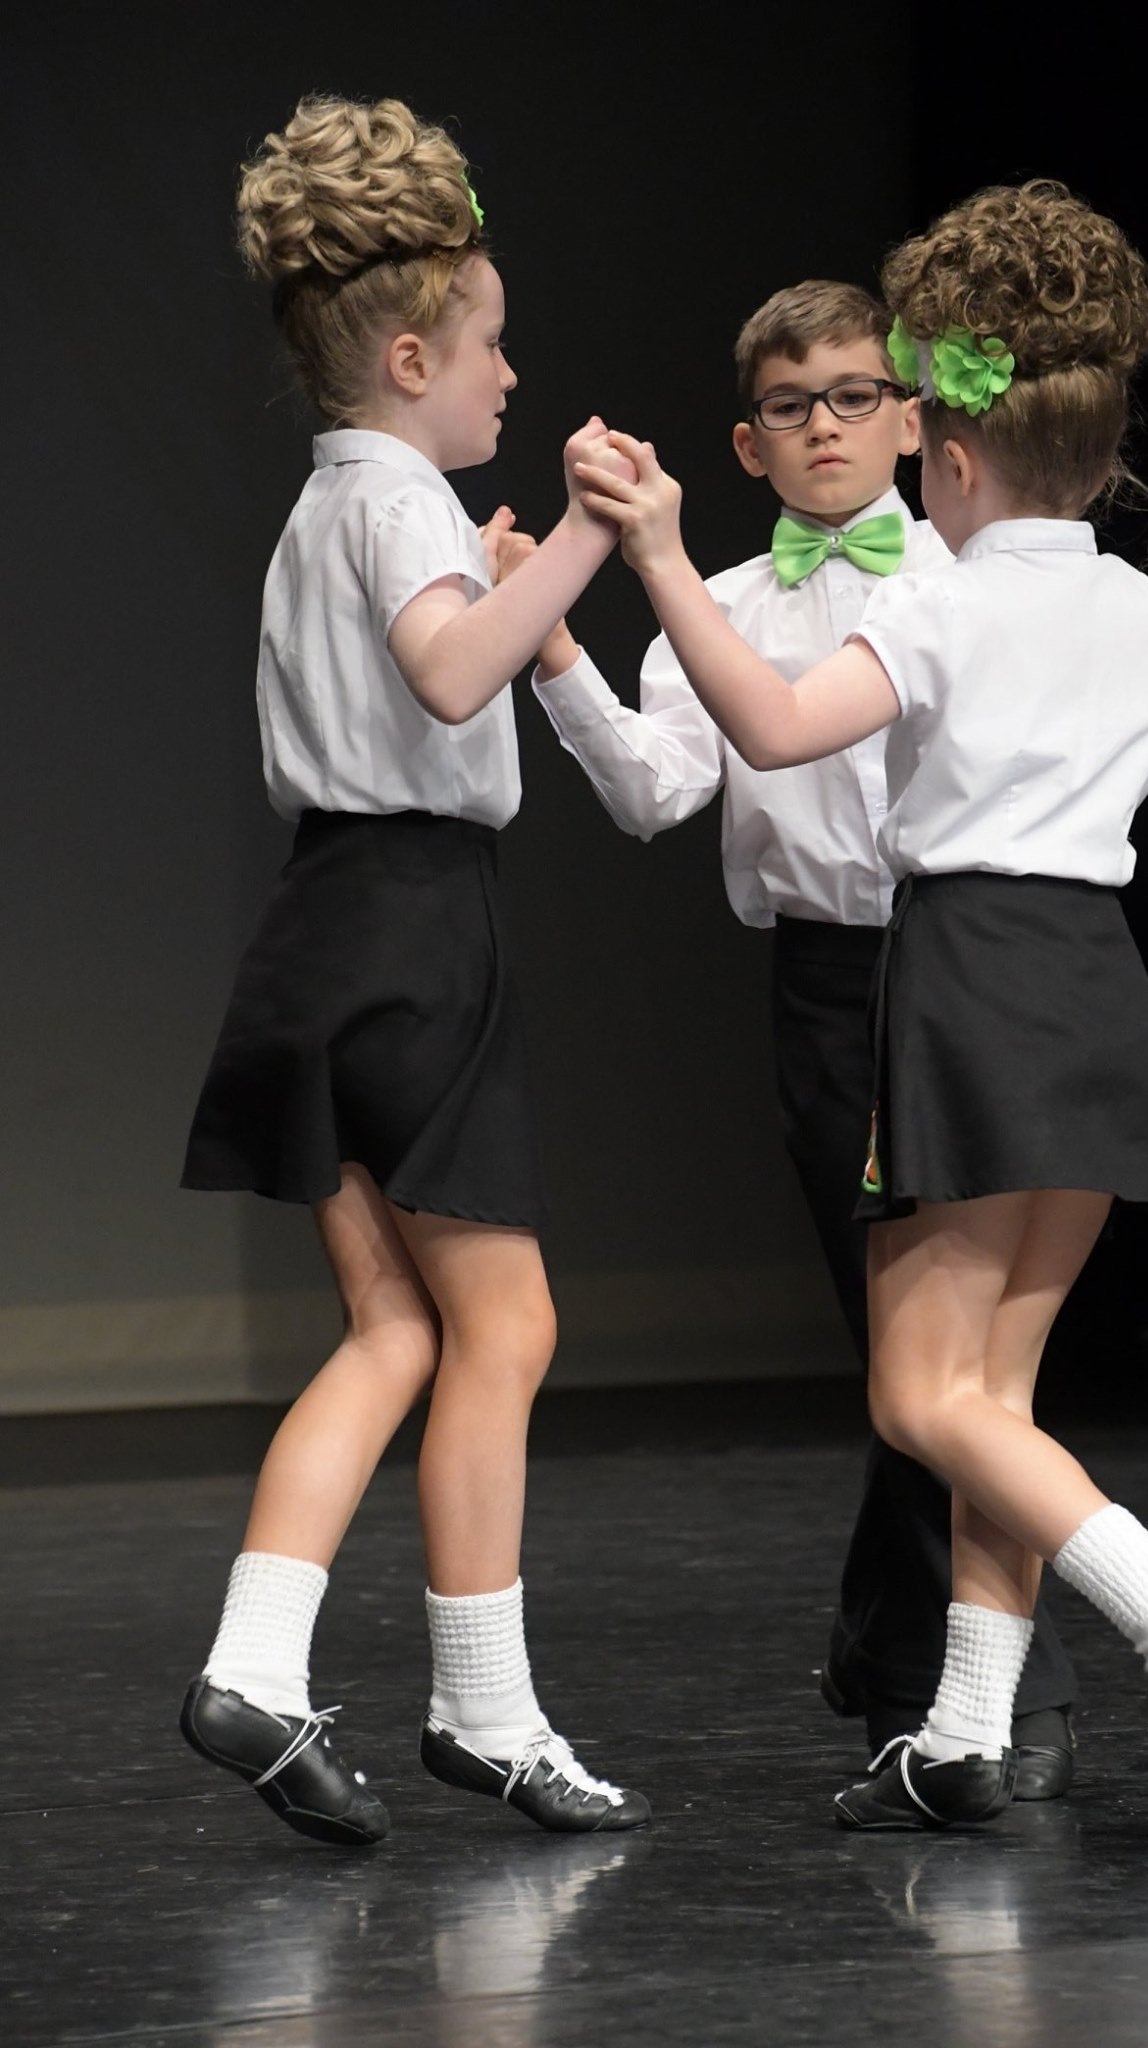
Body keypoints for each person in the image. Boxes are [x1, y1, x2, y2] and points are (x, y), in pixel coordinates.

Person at [575, 179, 1148, 1829]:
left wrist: (666, 553)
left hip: (955, 985)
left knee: (919, 1394)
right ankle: (962, 1736)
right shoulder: (1142, 602)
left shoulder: (939, 599)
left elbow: (768, 720)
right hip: (1095, 994)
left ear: (945, 456)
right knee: (991, 1400)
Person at [534, 279, 1100, 1796]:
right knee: (900, 1352)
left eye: (857, 395)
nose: (827, 426)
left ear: (917, 421)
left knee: (947, 1367)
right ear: (748, 441)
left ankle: (993, 1691)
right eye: (793, 406)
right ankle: (900, 1646)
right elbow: (657, 791)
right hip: (819, 990)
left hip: (958, 968)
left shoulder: (965, 583)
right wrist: (555, 658)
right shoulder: (712, 606)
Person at [179, 94, 648, 1845]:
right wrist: (588, 544)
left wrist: (514, 585)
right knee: (504, 1322)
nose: (510, 379)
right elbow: (454, 680)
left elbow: (439, 654)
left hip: (328, 923)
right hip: (410, 927)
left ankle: (257, 1662)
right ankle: (487, 1705)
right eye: (492, 348)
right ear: (404, 354)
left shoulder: (336, 505)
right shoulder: (403, 503)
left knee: (394, 1324)